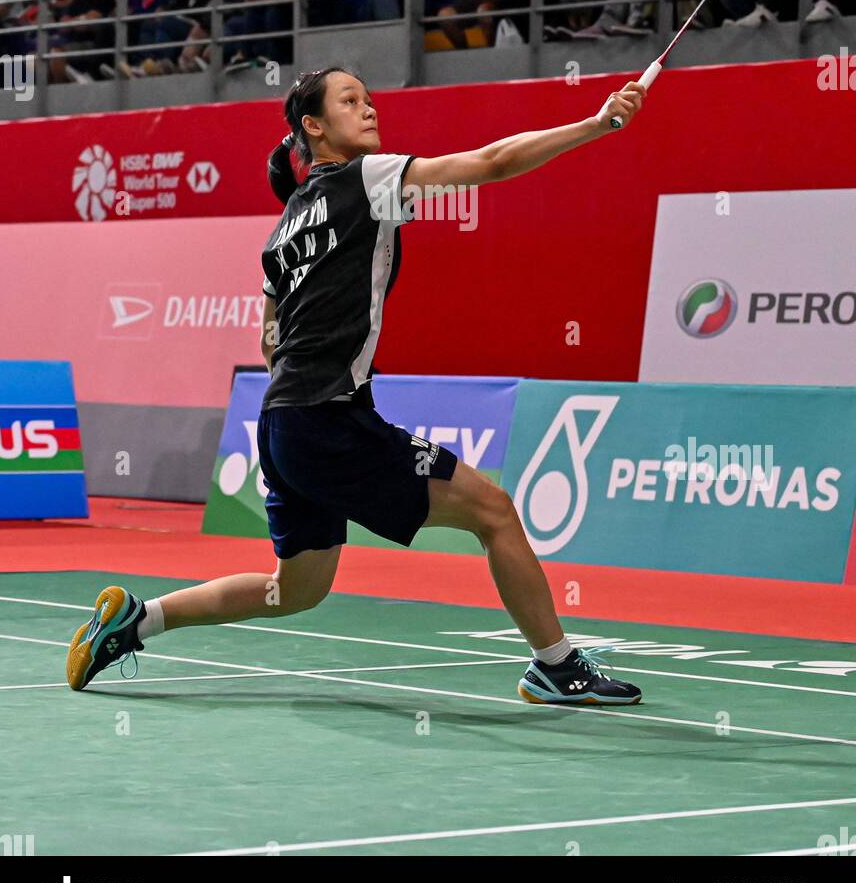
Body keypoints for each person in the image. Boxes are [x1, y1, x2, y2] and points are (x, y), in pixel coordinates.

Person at [66, 66, 646, 708]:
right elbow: (489, 162)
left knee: (296, 590)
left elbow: (268, 339)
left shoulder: (282, 230)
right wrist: (597, 124)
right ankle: (557, 666)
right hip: (326, 420)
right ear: (313, 127)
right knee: (493, 511)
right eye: (350, 101)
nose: (368, 109)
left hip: (282, 424)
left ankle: (135, 621)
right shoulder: (368, 179)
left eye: (370, 100)